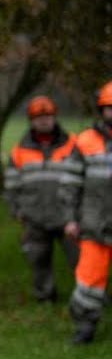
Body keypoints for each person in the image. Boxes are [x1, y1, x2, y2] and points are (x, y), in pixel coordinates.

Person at [2, 96, 81, 303]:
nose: (44, 121)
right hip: (34, 218)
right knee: (38, 261)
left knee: (81, 260)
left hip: (68, 218)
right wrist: (16, 210)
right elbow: (11, 185)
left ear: (54, 117)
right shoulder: (19, 151)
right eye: (38, 117)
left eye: (47, 116)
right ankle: (45, 297)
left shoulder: (74, 145)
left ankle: (86, 298)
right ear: (31, 120)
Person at [69, 81, 112, 344]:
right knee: (89, 281)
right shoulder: (85, 141)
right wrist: (69, 219)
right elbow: (69, 184)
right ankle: (85, 327)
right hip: (95, 225)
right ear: (101, 110)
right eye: (110, 108)